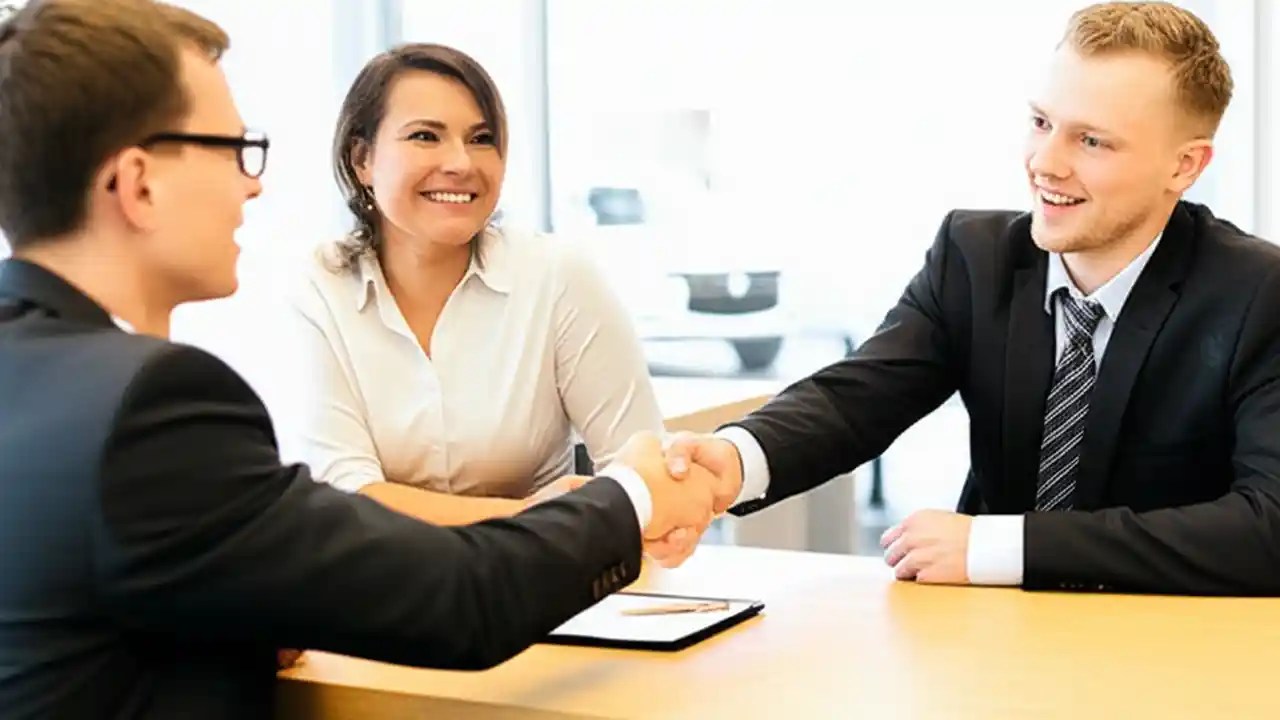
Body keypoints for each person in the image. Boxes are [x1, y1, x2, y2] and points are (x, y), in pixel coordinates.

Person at [0, 2, 713, 718]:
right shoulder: (157, 404)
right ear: (138, 184)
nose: (254, 184)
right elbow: (463, 600)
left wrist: (252, 614)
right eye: (232, 149)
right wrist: (633, 496)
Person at [661, 1, 1280, 595]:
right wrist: (731, 461)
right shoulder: (975, 256)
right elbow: (856, 400)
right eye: (1042, 123)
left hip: (1176, 654)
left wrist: (1002, 547)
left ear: (1186, 166)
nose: (1046, 163)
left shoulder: (1256, 293)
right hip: (988, 643)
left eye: (1092, 142)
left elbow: (1268, 528)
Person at [283, 42, 664, 525]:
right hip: (377, 588)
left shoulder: (557, 275)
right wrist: (534, 517)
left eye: (482, 138)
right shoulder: (317, 286)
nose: (461, 163)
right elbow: (346, 496)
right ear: (362, 159)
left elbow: (641, 468)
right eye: (425, 136)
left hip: (543, 587)